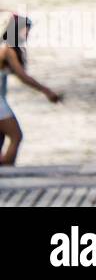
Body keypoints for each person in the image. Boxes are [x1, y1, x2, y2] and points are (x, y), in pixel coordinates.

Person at [0, 12, 63, 166]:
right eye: (24, 30)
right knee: (16, 136)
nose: (27, 34)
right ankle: (7, 174)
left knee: (1, 138)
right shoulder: (7, 49)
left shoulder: (10, 49)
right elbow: (23, 77)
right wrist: (46, 91)